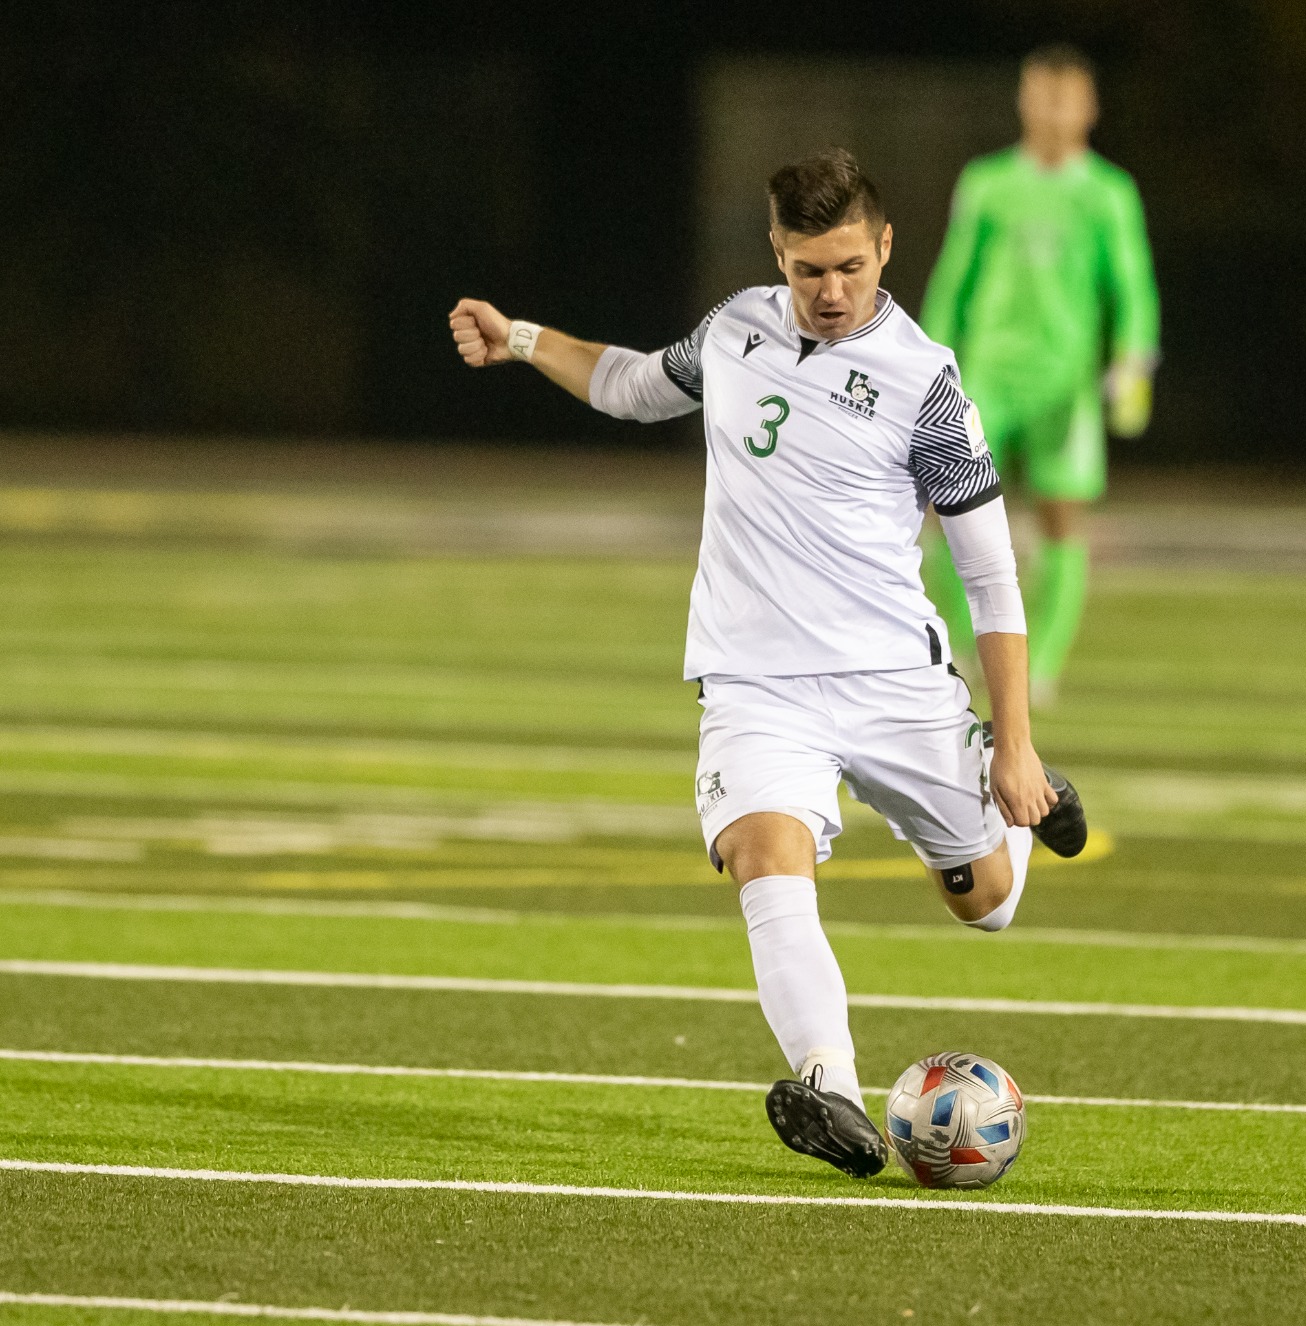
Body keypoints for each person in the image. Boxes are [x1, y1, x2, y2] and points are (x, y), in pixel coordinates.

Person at [448, 147, 1087, 1179]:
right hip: (754, 681)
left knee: (987, 901)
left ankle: (1013, 787)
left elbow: (989, 574)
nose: (830, 292)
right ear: (777, 253)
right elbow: (631, 385)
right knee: (762, 852)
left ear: (886, 247)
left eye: (850, 267)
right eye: (808, 270)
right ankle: (831, 1087)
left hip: (892, 682)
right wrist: (521, 338)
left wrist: (1013, 744)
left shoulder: (926, 384)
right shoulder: (735, 329)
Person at [919, 43, 1161, 708]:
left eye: (1066, 99)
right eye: (1042, 97)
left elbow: (1132, 285)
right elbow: (954, 279)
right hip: (986, 376)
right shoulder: (987, 183)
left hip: (1065, 383)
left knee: (1061, 519)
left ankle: (1041, 664)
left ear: (1090, 107)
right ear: (1024, 102)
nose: (1053, 112)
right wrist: (927, 359)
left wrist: (1133, 359)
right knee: (946, 512)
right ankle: (965, 649)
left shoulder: (1108, 193)